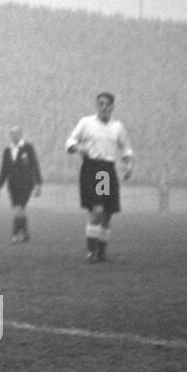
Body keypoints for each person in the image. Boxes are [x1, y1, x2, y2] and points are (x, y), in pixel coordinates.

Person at [65, 92, 135, 262]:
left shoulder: (118, 127)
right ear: (96, 105)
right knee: (97, 210)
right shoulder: (86, 122)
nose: (103, 107)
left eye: (107, 104)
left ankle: (101, 253)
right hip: (94, 169)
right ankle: (91, 252)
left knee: (107, 214)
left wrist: (128, 165)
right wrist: (78, 148)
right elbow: (70, 142)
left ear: (112, 107)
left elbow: (126, 149)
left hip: (107, 170)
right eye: (100, 104)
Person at [0, 126, 42, 242]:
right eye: (12, 134)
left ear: (20, 135)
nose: (13, 136)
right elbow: (4, 170)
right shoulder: (7, 150)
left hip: (26, 184)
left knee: (19, 209)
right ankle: (25, 233)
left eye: (16, 134)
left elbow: (34, 165)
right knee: (20, 209)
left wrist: (38, 184)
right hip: (13, 185)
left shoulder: (28, 148)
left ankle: (15, 234)